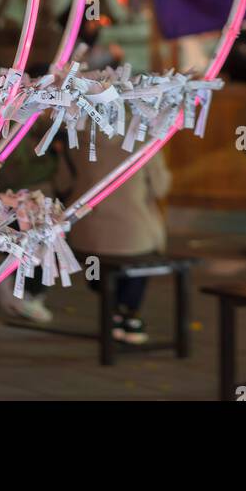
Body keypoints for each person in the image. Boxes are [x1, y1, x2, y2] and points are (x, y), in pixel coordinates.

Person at [58, 133, 171, 345]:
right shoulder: (146, 136)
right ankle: (129, 313)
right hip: (135, 233)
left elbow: (63, 182)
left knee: (98, 263)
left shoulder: (78, 136)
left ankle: (114, 310)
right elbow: (160, 187)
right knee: (140, 256)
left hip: (88, 232)